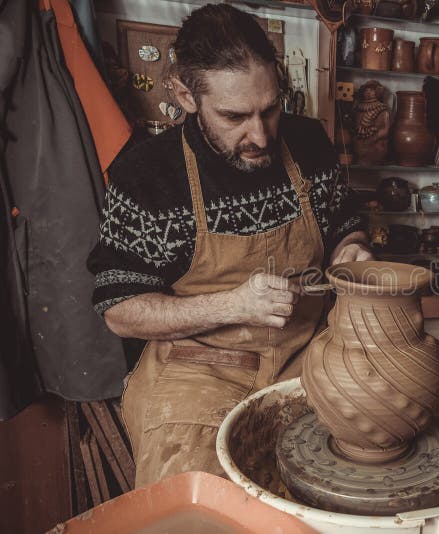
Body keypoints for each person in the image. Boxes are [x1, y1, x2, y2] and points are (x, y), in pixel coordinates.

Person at [87, 3, 372, 487]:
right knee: (199, 503)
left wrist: (352, 248)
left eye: (270, 109)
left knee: (359, 472)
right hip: (196, 373)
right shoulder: (146, 174)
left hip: (305, 358)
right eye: (234, 116)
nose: (259, 135)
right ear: (185, 95)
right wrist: (232, 305)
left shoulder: (309, 142)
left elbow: (345, 221)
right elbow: (120, 310)